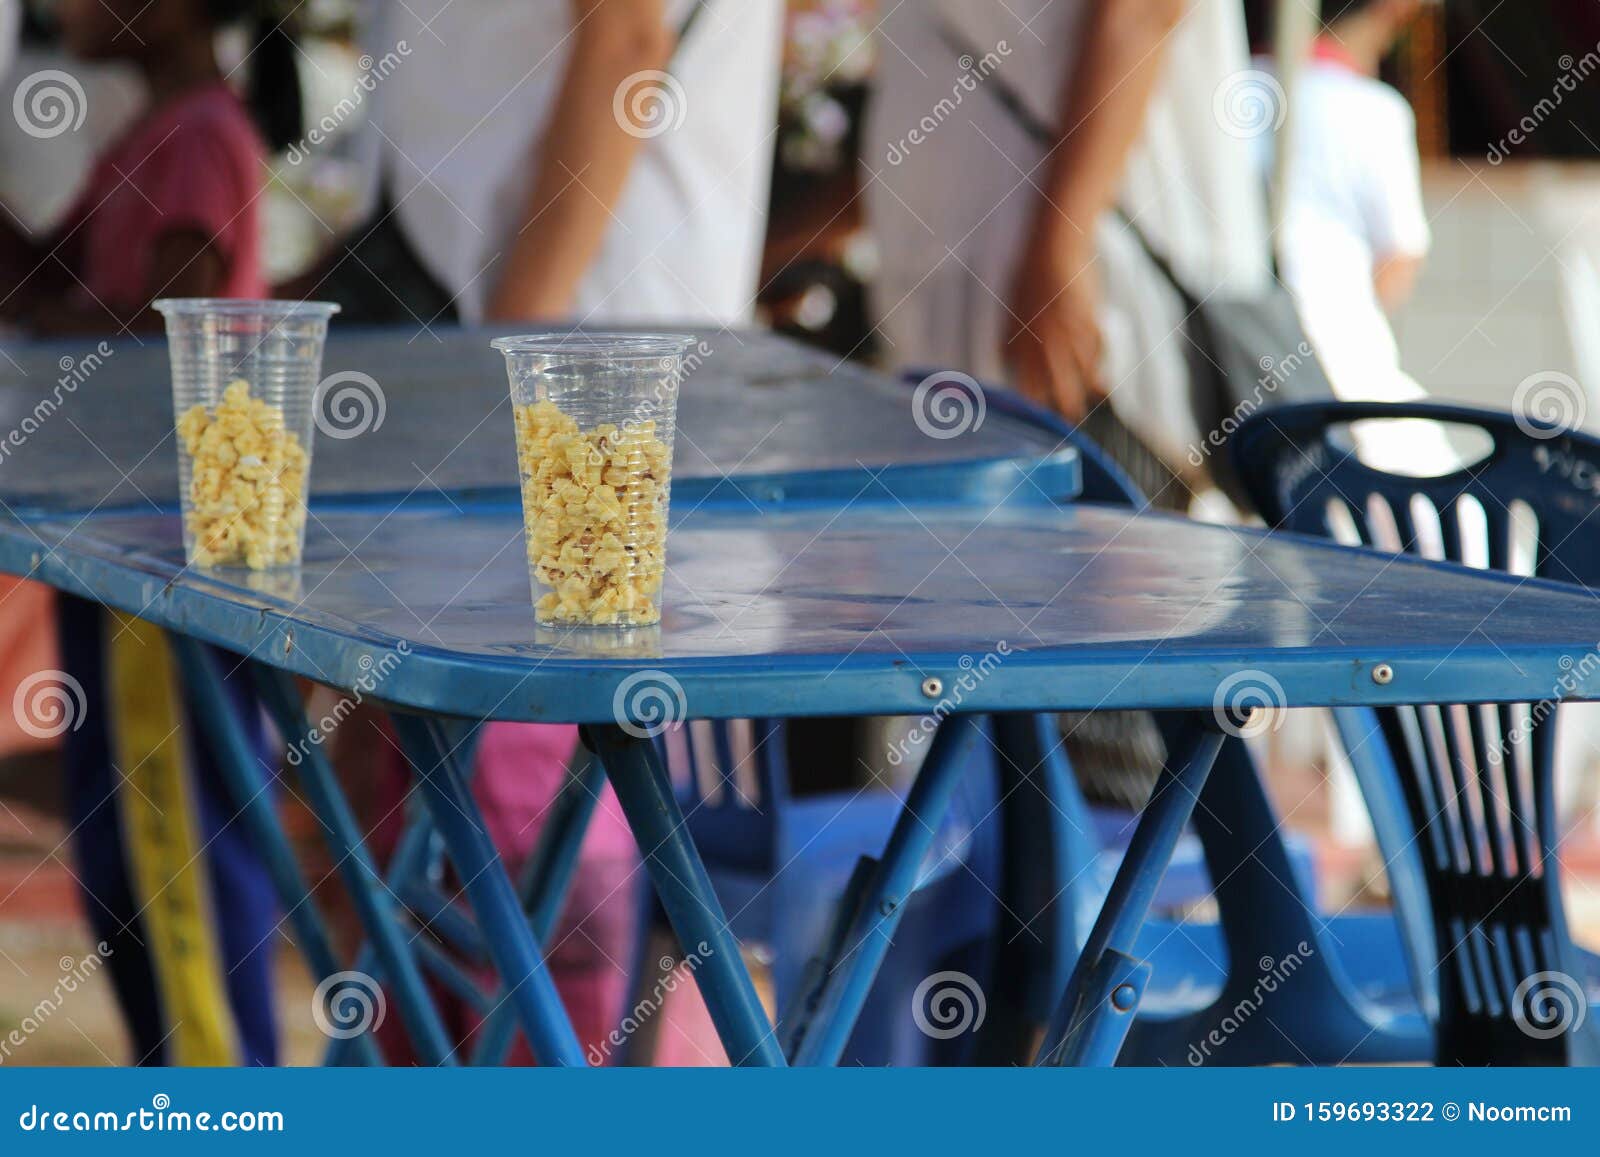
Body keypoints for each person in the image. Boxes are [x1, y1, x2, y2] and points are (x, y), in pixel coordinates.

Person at [0, 0, 300, 1065]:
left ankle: (222, 1101)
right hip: (113, 554)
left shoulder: (202, 140)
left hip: (166, 563)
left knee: (176, 863)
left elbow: (167, 330)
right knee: (128, 855)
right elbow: (52, 279)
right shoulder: (152, 137)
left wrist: (47, 323)